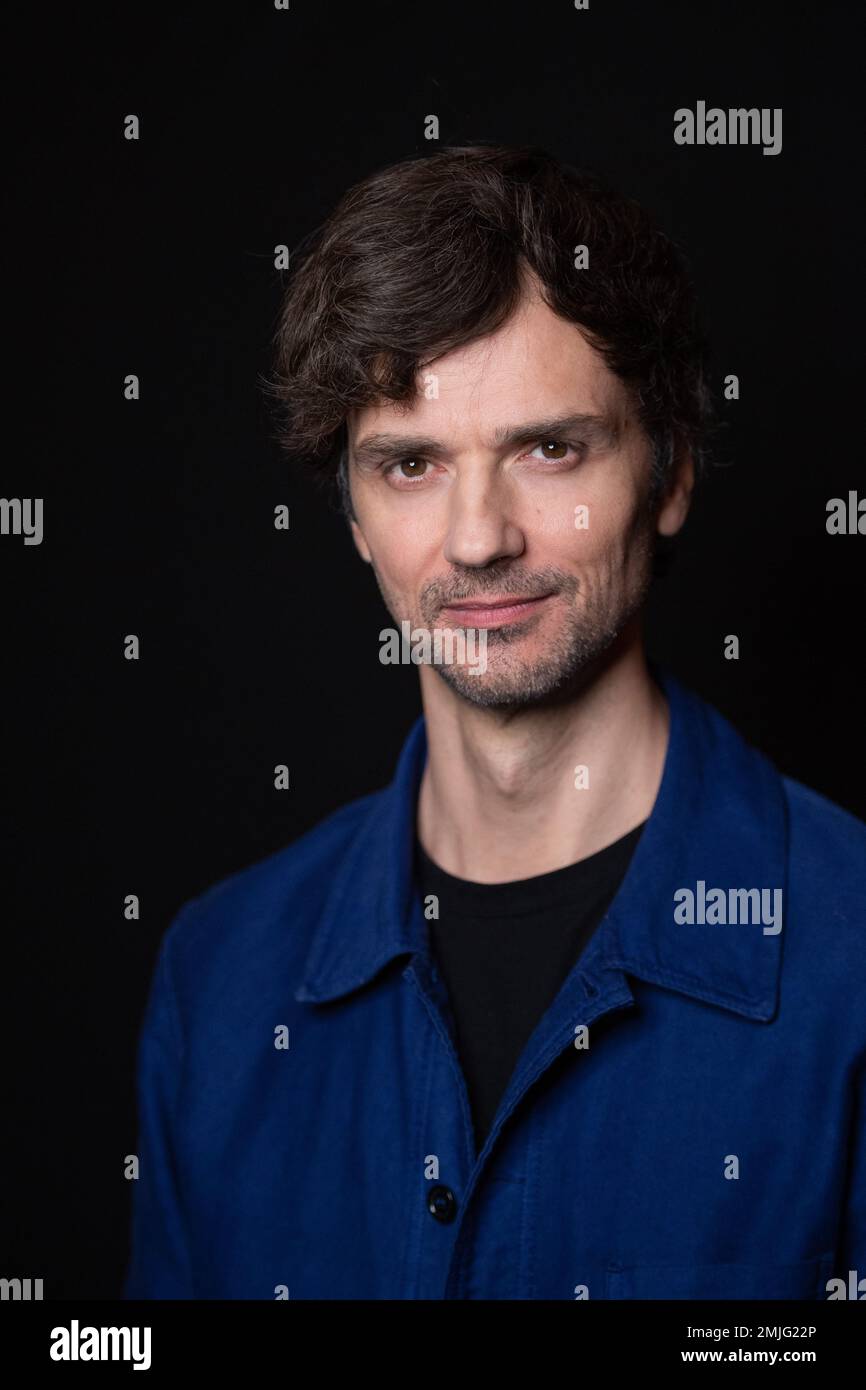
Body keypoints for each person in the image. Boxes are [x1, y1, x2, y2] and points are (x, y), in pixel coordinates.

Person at [123, 145, 866, 1300]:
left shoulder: (849, 958)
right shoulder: (219, 980)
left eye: (546, 448)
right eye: (411, 463)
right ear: (356, 518)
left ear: (666, 471)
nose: (477, 539)